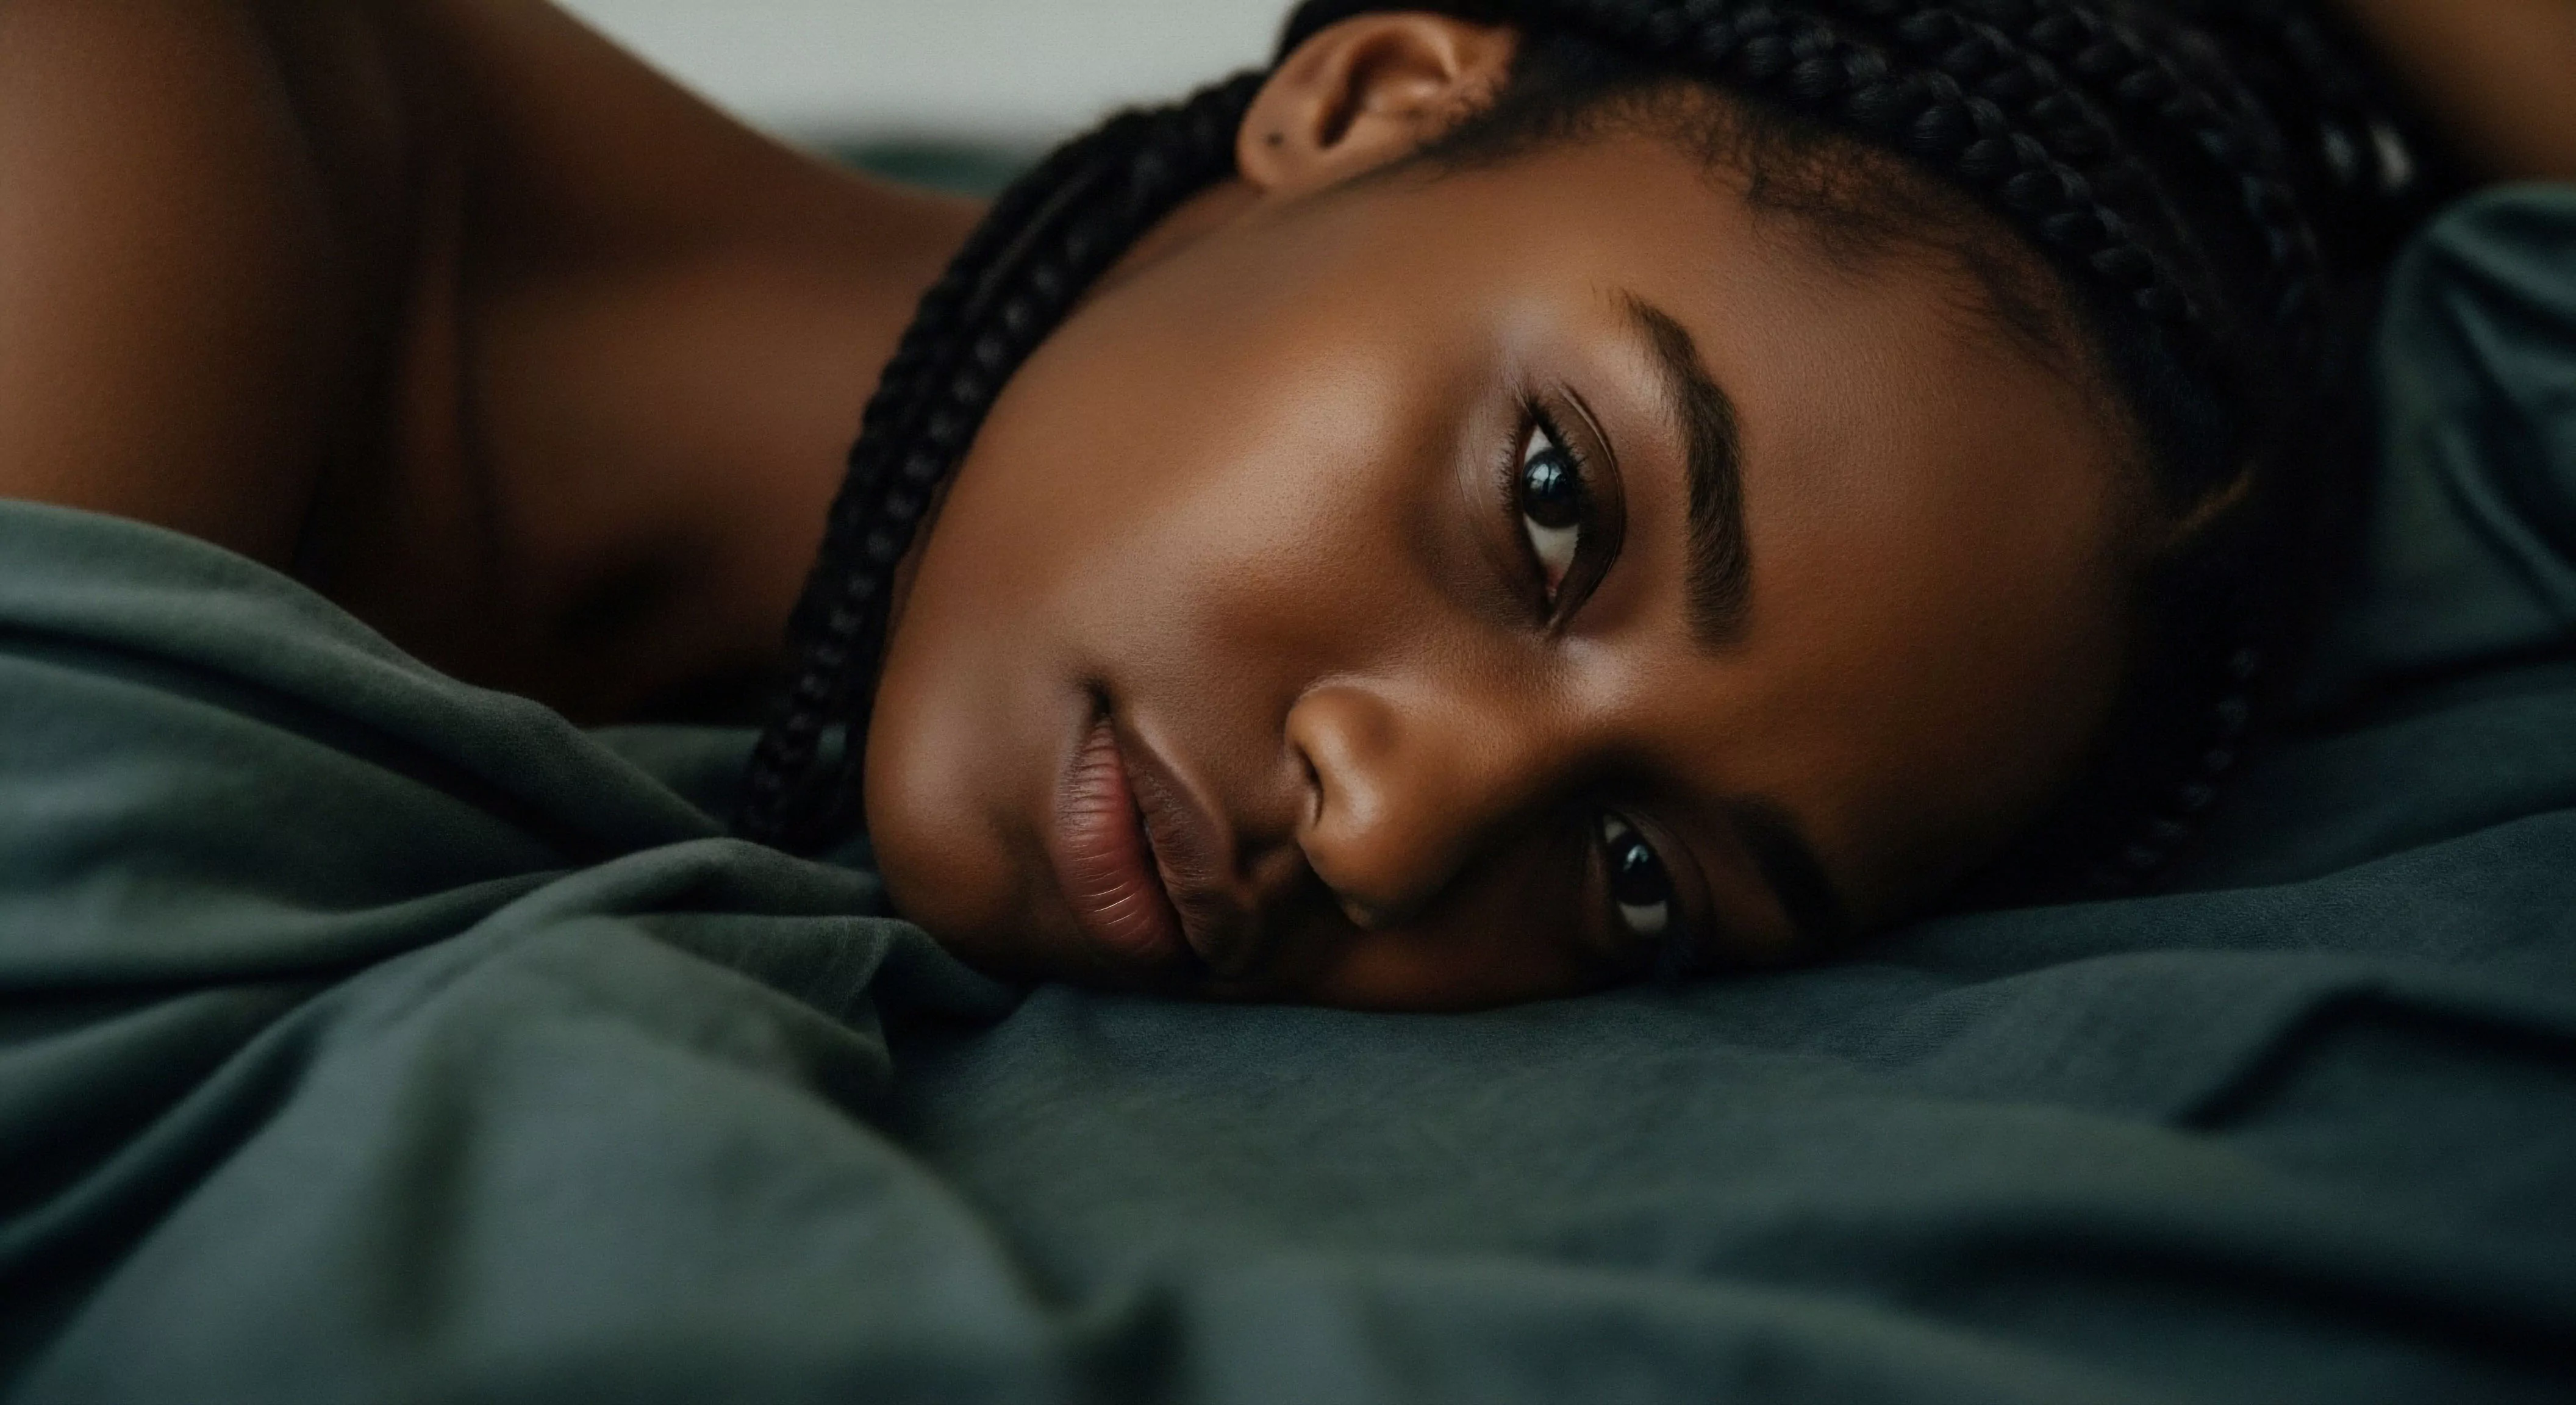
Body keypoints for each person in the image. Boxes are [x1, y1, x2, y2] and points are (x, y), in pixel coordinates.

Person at [0, 0, 2567, 1010]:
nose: (1402, 813)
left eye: (1643, 876)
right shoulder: (115, 161)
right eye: (1559, 503)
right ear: (1365, 96)